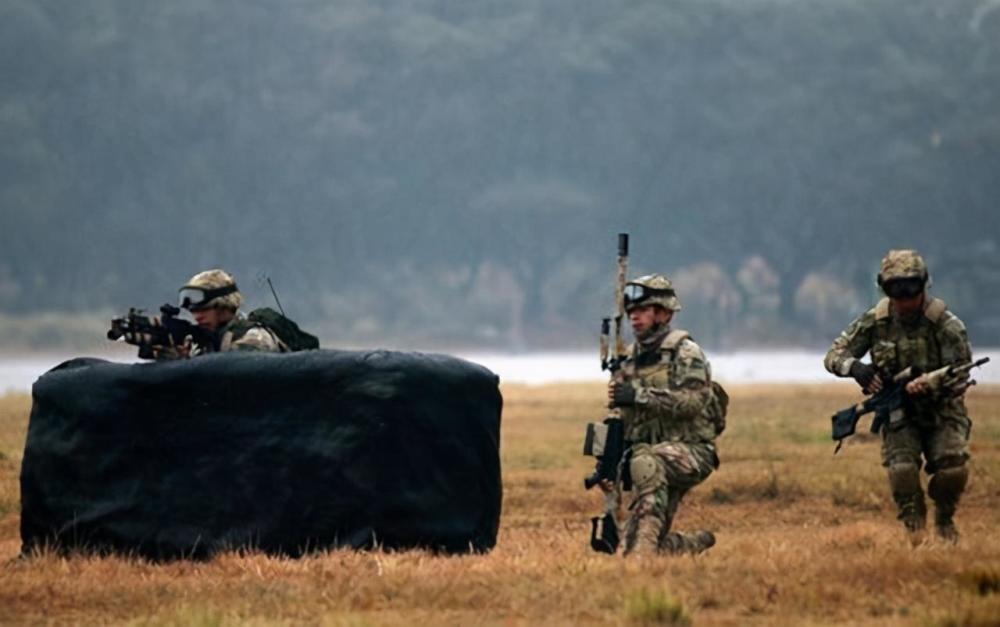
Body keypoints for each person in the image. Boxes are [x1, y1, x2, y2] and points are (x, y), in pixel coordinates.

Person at [823, 249, 974, 543]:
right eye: (895, 288)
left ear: (923, 285)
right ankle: (914, 531)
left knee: (953, 469)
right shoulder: (875, 322)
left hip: (942, 411)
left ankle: (945, 519)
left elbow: (962, 373)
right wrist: (855, 368)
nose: (903, 297)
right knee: (902, 470)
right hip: (898, 412)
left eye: (910, 287)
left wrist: (932, 385)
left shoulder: (945, 325)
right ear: (884, 288)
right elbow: (833, 355)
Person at [604, 274, 726, 556]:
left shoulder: (686, 353)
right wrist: (604, 459)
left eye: (643, 311)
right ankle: (689, 545)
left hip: (692, 451)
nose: (635, 318)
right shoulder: (629, 359)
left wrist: (639, 396)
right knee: (633, 540)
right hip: (646, 454)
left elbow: (693, 402)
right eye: (631, 312)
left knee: (648, 462)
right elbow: (615, 414)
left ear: (664, 313)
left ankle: (639, 557)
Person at [171, 269, 284, 357]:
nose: (197, 317)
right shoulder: (210, 341)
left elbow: (234, 373)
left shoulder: (254, 337)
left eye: (204, 309)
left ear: (224, 305)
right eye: (193, 311)